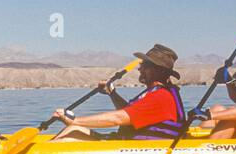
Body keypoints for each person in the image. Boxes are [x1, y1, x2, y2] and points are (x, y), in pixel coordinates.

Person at [48, 44, 186, 141]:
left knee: (72, 131)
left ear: (158, 71)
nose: (140, 69)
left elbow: (118, 118)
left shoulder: (160, 97)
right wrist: (112, 93)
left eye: (145, 66)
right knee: (73, 131)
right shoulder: (155, 92)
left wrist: (75, 120)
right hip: (128, 142)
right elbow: (130, 115)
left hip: (138, 151)